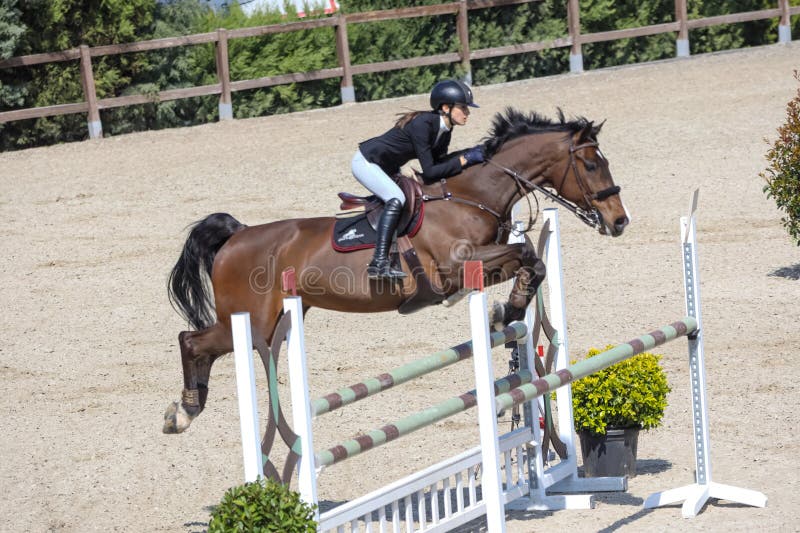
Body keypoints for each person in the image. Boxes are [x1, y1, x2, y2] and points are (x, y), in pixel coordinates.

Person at [351, 79, 486, 280]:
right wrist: (465, 159)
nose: (467, 113)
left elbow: (440, 163)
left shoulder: (445, 130)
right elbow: (430, 172)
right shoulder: (422, 125)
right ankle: (378, 263)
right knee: (396, 198)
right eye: (463, 107)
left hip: (388, 167)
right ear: (446, 107)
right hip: (367, 162)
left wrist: (469, 153)